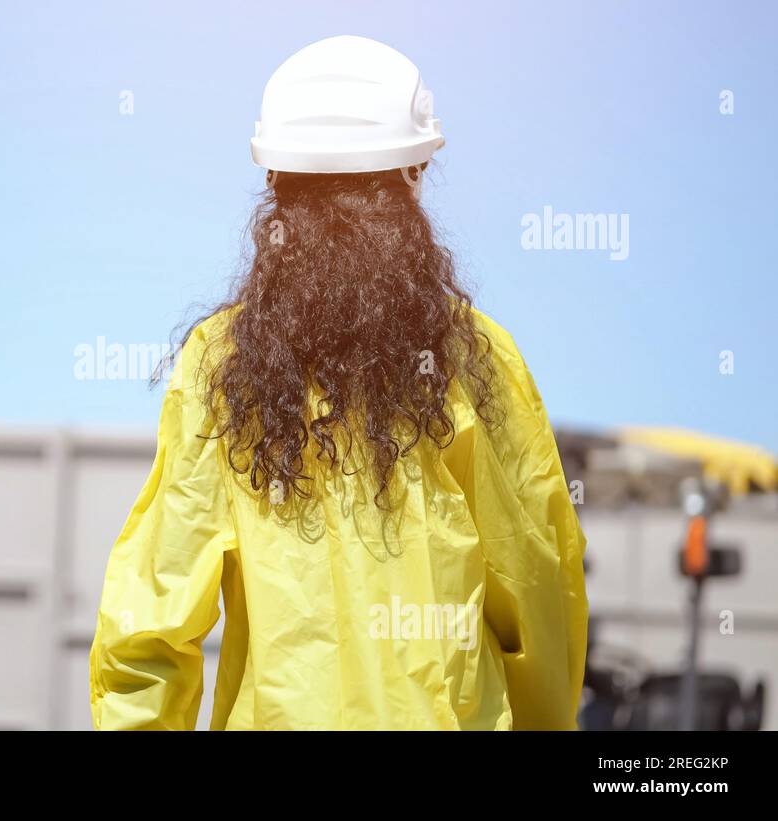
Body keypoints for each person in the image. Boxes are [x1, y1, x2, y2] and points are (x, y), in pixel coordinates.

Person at [89, 36, 588, 730]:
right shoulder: (478, 361)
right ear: (414, 174)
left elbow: (151, 619)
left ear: (275, 188)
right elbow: (536, 589)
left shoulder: (221, 365)